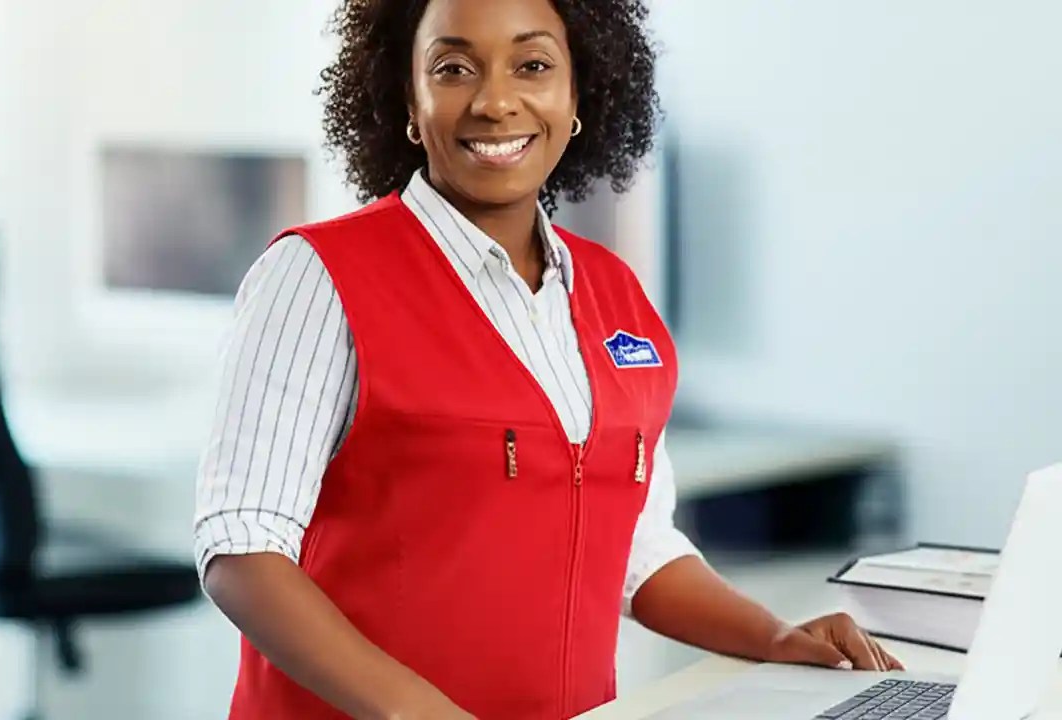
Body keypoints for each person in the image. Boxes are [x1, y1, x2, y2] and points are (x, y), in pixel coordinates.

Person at [193, 0, 902, 717]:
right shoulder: (317, 275)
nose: (496, 101)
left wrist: (775, 635)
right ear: (408, 98)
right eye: (453, 68)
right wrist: (415, 711)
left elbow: (637, 551)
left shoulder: (619, 296)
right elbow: (242, 547)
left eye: (533, 66)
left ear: (578, 96)